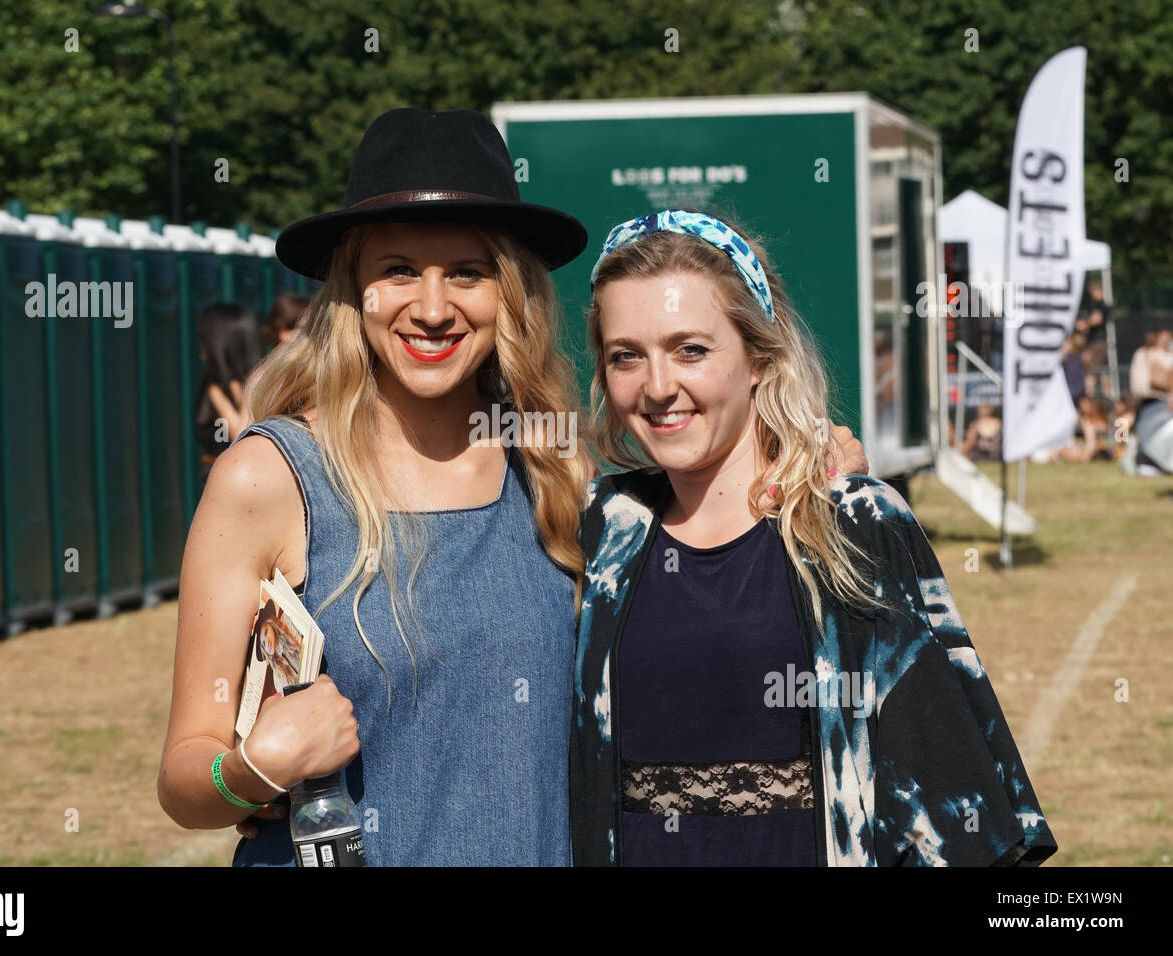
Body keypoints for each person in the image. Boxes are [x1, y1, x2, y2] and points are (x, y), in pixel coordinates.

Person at [158, 111, 869, 867]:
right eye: (398, 269)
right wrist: (251, 769)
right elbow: (183, 779)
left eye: (467, 271)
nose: (432, 307)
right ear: (353, 288)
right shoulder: (269, 477)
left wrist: (802, 460)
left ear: (510, 291)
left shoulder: (560, 471)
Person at [569, 209, 1057, 866]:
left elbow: (949, 790)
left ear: (759, 358)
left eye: (691, 350)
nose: (658, 387)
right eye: (626, 356)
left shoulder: (853, 523)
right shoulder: (601, 527)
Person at [194, 303, 261, 479]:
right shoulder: (228, 386)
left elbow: (243, 434)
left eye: (205, 342)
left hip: (236, 482)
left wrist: (218, 397)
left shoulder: (231, 388)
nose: (202, 352)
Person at [1128, 329, 1173, 473]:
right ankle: (1129, 454)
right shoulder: (1143, 353)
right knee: (1128, 424)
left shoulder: (1166, 354)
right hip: (1146, 398)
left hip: (1161, 399)